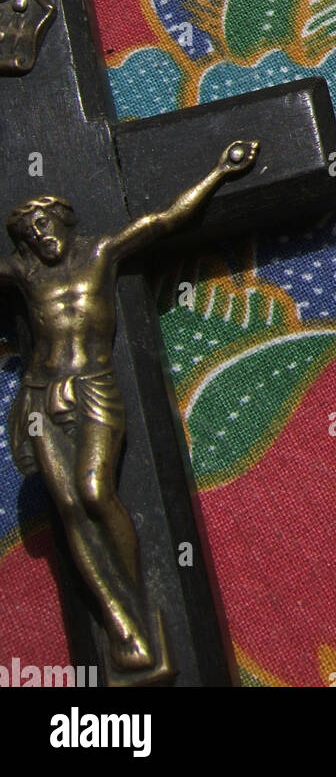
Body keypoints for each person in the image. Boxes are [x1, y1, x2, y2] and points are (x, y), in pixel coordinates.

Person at [3, 140, 258, 676]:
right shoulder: (27, 276)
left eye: (45, 226)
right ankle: (122, 625)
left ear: (63, 223)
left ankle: (141, 602)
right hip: (42, 392)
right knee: (70, 509)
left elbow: (165, 219)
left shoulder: (100, 253)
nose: (40, 238)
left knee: (96, 492)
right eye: (29, 235)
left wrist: (218, 171)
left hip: (94, 384)